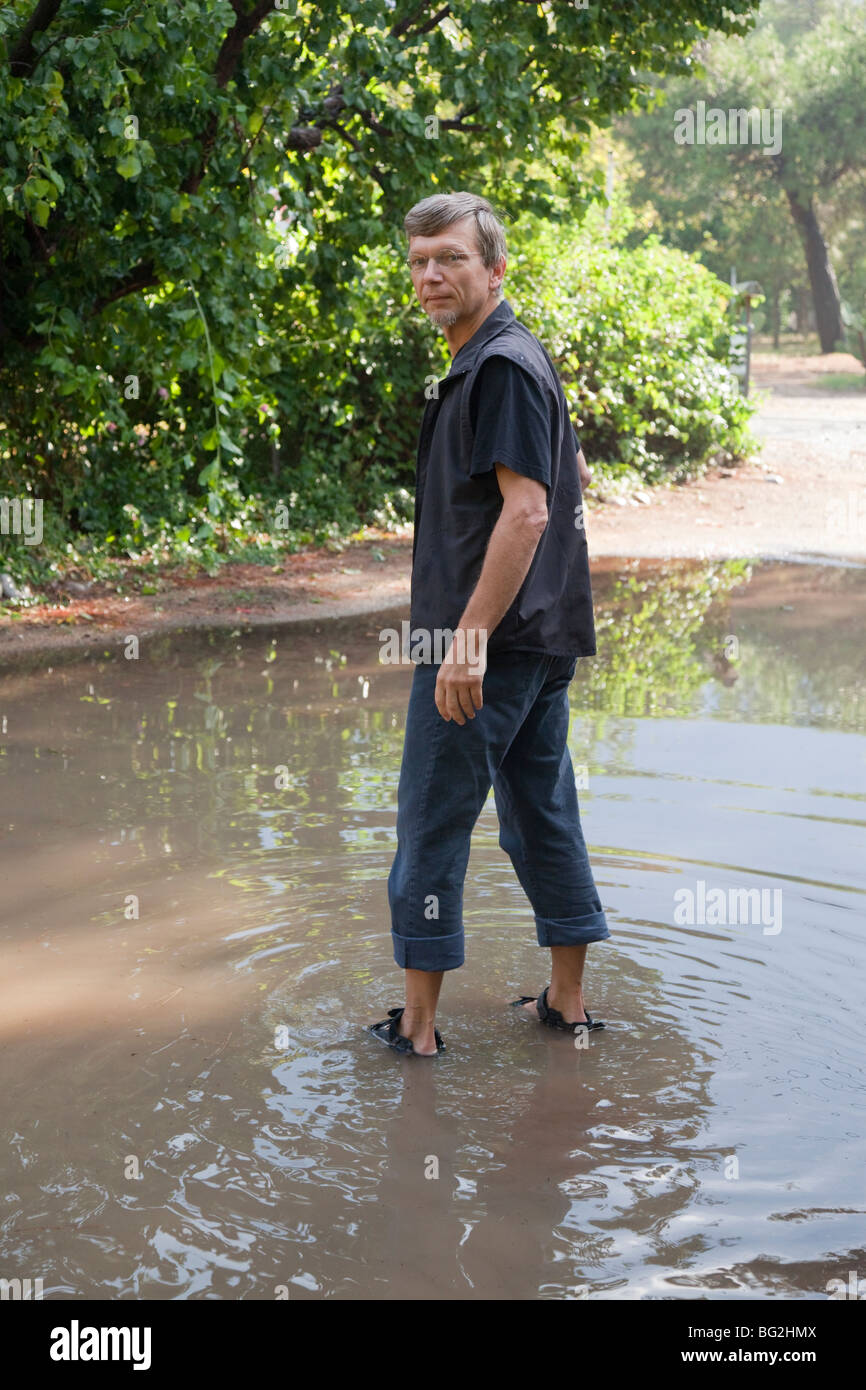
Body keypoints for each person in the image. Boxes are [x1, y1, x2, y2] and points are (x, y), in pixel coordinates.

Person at [370, 192, 611, 1057]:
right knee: (541, 816)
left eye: (451, 258)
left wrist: (467, 638)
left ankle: (421, 1030)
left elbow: (528, 512)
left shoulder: (498, 366)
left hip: (485, 645)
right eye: (420, 260)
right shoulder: (508, 357)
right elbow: (570, 467)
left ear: (494, 268)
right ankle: (566, 1005)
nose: (431, 274)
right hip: (538, 639)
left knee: (430, 824)